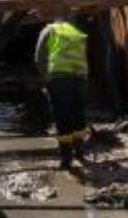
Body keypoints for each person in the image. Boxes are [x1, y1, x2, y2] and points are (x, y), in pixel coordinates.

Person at [35, 18, 90, 169]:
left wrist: (47, 78)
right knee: (78, 114)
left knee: (62, 117)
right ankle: (79, 151)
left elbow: (39, 58)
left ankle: (66, 158)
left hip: (59, 80)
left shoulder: (49, 30)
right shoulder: (75, 32)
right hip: (80, 79)